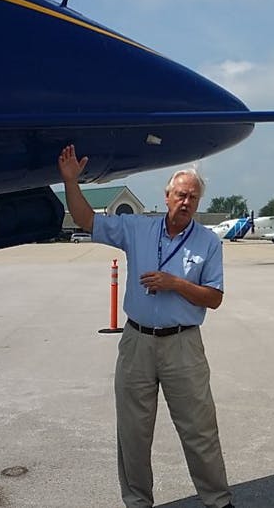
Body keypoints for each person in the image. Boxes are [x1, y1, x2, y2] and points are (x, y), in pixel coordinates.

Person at [57, 145, 234, 508]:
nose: (186, 202)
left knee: (199, 430)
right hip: (137, 340)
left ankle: (217, 500)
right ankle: (137, 501)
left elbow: (214, 298)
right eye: (181, 194)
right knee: (133, 432)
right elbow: (86, 220)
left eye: (193, 198)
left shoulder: (207, 242)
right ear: (167, 196)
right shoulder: (137, 228)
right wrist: (71, 182)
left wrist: (176, 284)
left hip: (182, 344)